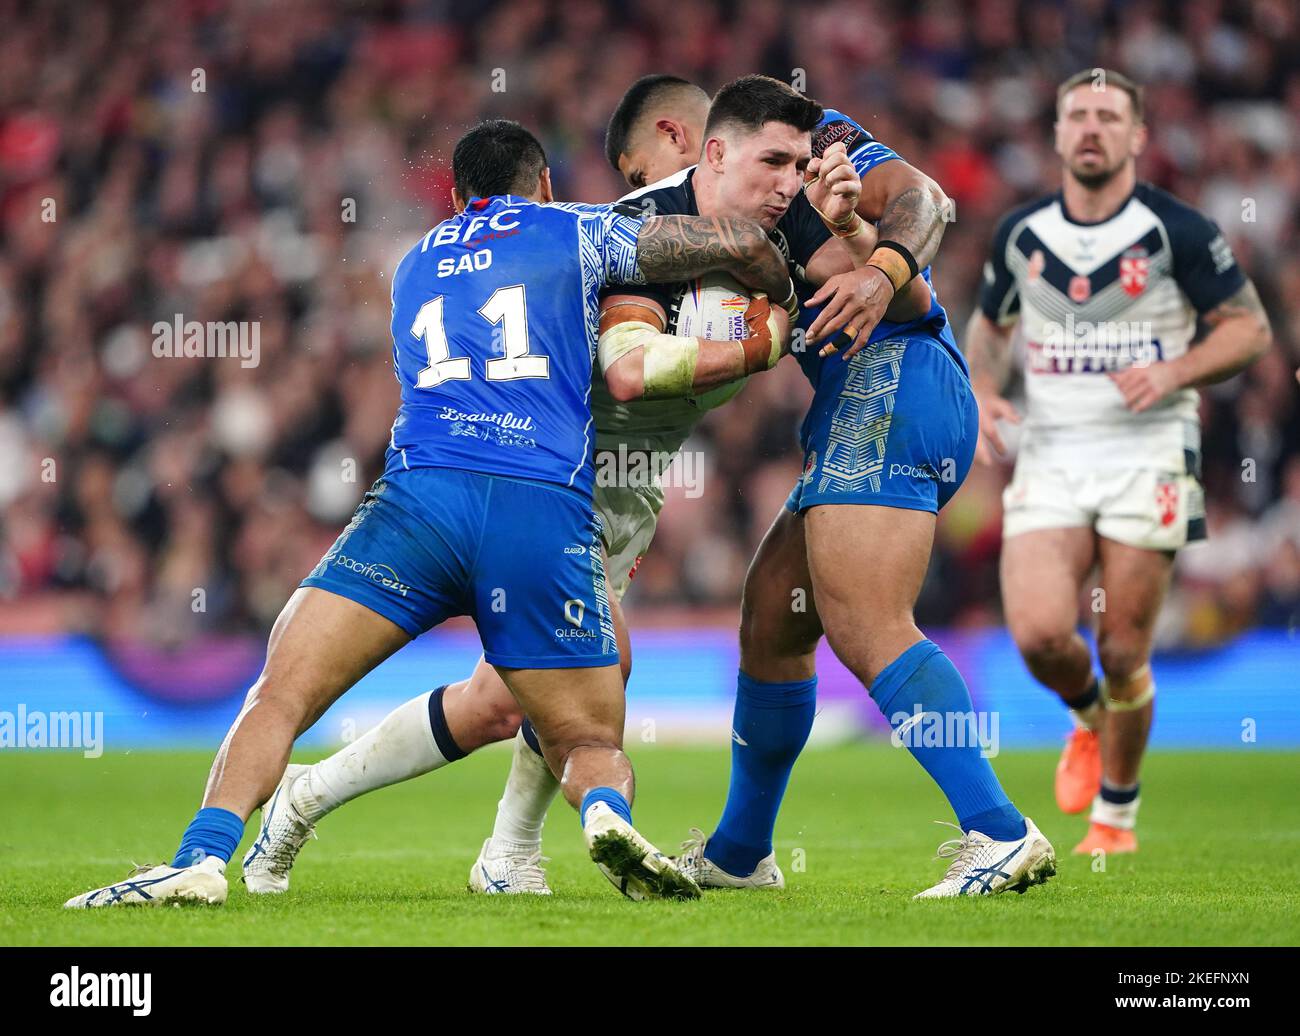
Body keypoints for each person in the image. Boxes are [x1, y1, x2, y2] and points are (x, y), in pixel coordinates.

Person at [64, 118, 796, 908]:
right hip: (537, 508)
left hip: (420, 502)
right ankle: (606, 816)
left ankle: (200, 857)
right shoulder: (580, 228)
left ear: (455, 198)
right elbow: (731, 241)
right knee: (584, 732)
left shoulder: (414, 261)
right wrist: (781, 298)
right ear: (543, 184)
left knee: (281, 690)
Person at [238, 74, 931, 899]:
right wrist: (762, 343)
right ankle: (471, 843)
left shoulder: (776, 210)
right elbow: (630, 370)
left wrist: (856, 233)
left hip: (626, 489)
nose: (634, 190)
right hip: (555, 470)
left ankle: (367, 815)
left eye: (635, 168)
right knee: (568, 682)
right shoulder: (632, 232)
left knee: (507, 699)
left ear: (680, 139)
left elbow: (905, 247)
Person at [671, 95, 1056, 899]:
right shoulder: (691, 220)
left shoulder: (821, 145)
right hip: (855, 401)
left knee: (867, 620)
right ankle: (741, 852)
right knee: (773, 617)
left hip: (893, 377)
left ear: (692, 144)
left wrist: (876, 264)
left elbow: (924, 201)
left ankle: (999, 830)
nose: (785, 179)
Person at [965, 69, 1272, 854]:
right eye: (1078, 115)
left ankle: (1117, 818)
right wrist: (984, 389)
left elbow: (1248, 329)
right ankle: (1088, 718)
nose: (1092, 127)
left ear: (1137, 136)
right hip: (1053, 451)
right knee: (1038, 635)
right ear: (1059, 135)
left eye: (1109, 115)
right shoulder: (1022, 233)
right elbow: (991, 326)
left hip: (1150, 453)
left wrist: (1173, 371)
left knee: (1126, 648)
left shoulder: (1178, 229)